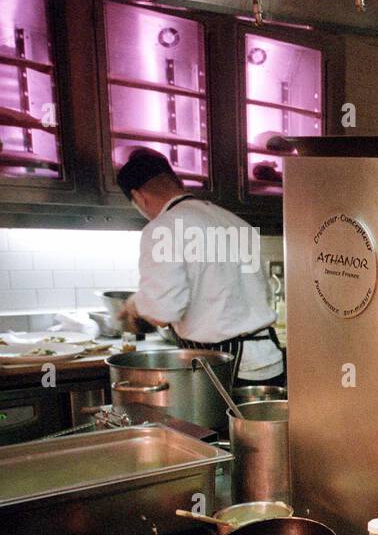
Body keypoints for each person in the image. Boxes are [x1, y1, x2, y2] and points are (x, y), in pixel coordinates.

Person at [114, 147, 284, 385]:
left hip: (225, 367)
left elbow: (163, 311)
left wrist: (134, 304)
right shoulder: (236, 223)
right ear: (178, 182)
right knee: (264, 425)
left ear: (139, 196)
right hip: (268, 360)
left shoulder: (163, 228)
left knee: (210, 425)